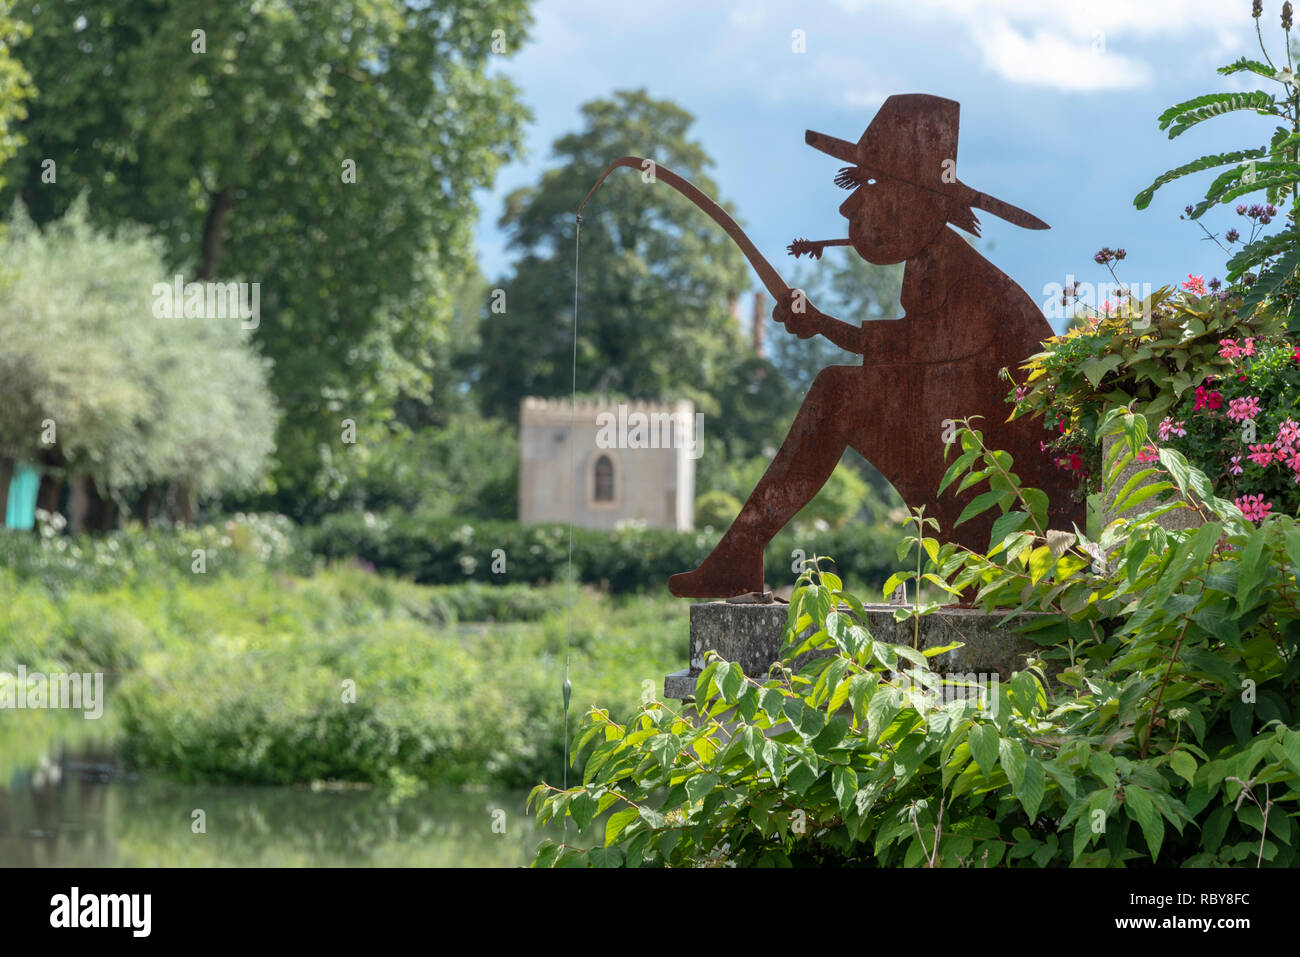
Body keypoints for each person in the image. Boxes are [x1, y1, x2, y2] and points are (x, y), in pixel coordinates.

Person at [669, 94, 1081, 599]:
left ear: (925, 199)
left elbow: (914, 349)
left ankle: (741, 551)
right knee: (840, 390)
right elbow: (911, 355)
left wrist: (823, 324)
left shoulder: (968, 279)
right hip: (978, 470)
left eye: (869, 183)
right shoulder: (929, 268)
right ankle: (740, 552)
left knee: (838, 392)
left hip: (1013, 500)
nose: (848, 205)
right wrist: (821, 323)